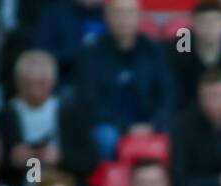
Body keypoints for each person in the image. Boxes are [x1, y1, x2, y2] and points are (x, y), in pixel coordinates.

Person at [74, 0, 176, 162]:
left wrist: (153, 124)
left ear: (139, 17)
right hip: (111, 124)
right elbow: (91, 100)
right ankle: (103, 183)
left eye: (129, 13)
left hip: (150, 123)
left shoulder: (154, 51)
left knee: (176, 134)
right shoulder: (92, 53)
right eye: (118, 13)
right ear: (107, 17)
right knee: (105, 136)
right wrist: (126, 128)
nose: (123, 19)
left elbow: (167, 94)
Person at [0, 49, 97, 186]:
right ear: (18, 83)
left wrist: (60, 157)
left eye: (40, 83)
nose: (34, 90)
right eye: (28, 83)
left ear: (52, 83)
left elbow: (90, 161)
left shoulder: (70, 114)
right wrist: (12, 160)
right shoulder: (5, 117)